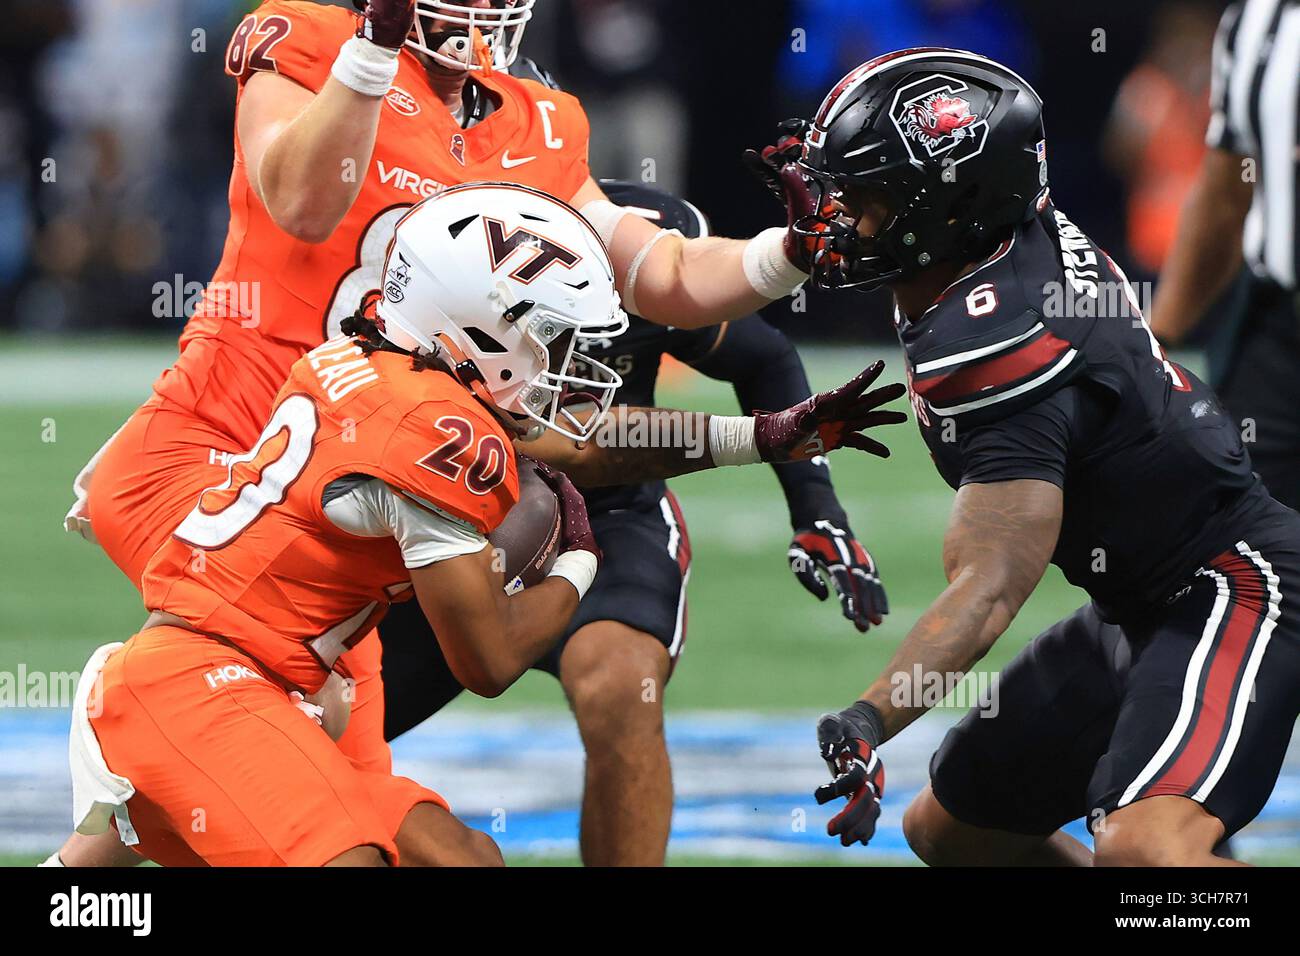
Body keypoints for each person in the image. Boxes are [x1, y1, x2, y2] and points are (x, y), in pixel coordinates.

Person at [53, 0, 843, 863]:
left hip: (359, 467)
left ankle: (106, 824)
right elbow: (303, 204)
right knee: (283, 750)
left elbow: (662, 270)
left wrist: (785, 254)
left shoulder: (538, 121)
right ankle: (131, 733)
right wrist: (373, 49)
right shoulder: (309, 38)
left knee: (321, 791)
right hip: (224, 446)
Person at [751, 48, 1300, 865]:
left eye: (863, 198)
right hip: (1133, 605)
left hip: (1232, 582)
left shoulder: (1001, 339)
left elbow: (988, 590)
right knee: (953, 831)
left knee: (1146, 852)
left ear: (945, 208)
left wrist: (872, 718)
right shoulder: (996, 242)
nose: (834, 218)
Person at [378, 180, 887, 866]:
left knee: (620, 685)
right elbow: (576, 449)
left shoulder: (628, 263)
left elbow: (594, 441)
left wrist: (814, 505)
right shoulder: (430, 280)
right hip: (441, 507)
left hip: (604, 512)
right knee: (319, 734)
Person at [1149, 0, 1300, 512]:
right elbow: (1225, 189)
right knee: (1239, 537)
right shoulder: (1257, 20)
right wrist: (1154, 344)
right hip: (1278, 338)